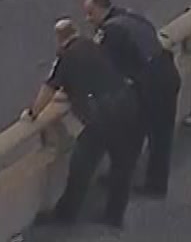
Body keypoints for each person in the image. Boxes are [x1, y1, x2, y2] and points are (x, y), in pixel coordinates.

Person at [26, 20, 140, 228]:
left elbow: (49, 88)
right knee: (122, 164)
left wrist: (33, 113)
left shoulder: (67, 57)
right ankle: (114, 216)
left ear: (60, 39)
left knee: (81, 165)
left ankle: (66, 214)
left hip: (103, 116)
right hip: (127, 105)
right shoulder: (91, 45)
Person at [82, 0, 183, 199]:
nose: (88, 19)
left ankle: (120, 177)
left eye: (90, 13)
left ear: (101, 9)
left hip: (150, 86)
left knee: (131, 132)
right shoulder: (132, 15)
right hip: (167, 73)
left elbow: (101, 67)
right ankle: (157, 184)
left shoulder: (110, 32)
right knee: (162, 135)